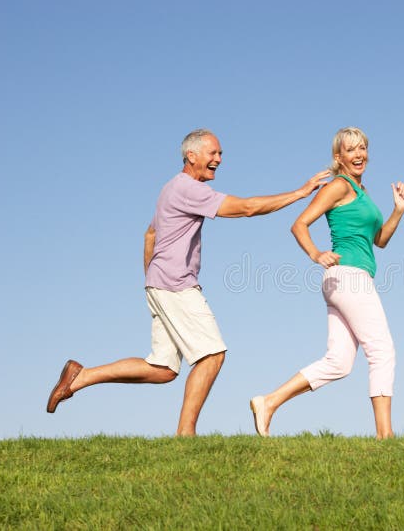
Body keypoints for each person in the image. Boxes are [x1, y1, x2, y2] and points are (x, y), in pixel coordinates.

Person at [46, 128, 329, 436]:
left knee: (163, 368)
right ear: (191, 156)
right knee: (212, 354)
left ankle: (81, 376)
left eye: (220, 154)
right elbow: (247, 208)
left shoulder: (169, 189)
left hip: (161, 284)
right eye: (213, 153)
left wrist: (152, 281)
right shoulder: (187, 189)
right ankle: (186, 434)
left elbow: (149, 234)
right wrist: (300, 193)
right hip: (175, 284)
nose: (219, 159)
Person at [250, 126, 404, 439]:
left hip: (346, 279)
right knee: (382, 350)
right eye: (351, 149)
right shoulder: (340, 185)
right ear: (339, 157)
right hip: (348, 276)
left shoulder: (362, 194)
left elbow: (380, 240)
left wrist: (398, 211)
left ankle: (269, 402)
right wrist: (315, 253)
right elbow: (299, 224)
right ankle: (385, 436)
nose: (359, 154)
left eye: (362, 148)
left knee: (339, 362)